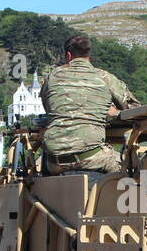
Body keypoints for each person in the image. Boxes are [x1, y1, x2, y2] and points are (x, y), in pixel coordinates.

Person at [41, 34, 138, 174]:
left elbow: (49, 108)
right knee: (135, 169)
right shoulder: (104, 77)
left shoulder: (52, 76)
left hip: (54, 161)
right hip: (91, 157)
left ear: (68, 55)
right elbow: (133, 110)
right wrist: (113, 112)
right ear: (88, 54)